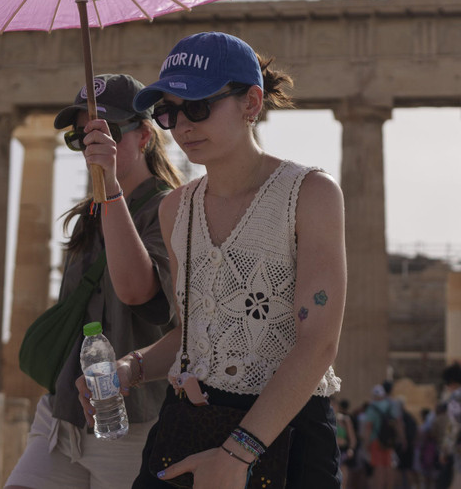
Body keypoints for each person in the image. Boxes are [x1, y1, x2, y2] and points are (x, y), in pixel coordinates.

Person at [78, 32, 347, 489]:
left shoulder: (311, 195)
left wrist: (238, 453)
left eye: (198, 105)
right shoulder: (174, 209)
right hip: (187, 423)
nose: (182, 125)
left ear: (251, 102)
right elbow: (192, 332)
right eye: (168, 112)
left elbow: (318, 342)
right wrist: (132, 368)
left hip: (284, 433)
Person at [5, 74, 183, 489]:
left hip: (131, 420)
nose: (91, 145)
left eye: (108, 131)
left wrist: (113, 191)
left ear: (144, 137)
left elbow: (138, 292)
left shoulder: (172, 208)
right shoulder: (87, 215)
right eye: (81, 137)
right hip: (62, 414)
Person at [364, 384, 404, 489]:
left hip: (376, 441)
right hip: (389, 441)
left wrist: (366, 443)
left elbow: (368, 427)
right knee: (389, 466)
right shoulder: (391, 405)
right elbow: (398, 423)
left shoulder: (372, 408)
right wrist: (402, 438)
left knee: (379, 468)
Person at [334, 398, 358, 489]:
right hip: (331, 450)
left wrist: (351, 449)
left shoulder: (344, 420)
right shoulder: (326, 419)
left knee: (343, 479)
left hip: (342, 452)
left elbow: (352, 438)